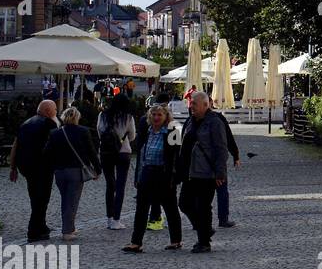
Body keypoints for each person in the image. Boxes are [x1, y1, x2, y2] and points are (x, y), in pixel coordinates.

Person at [123, 104, 182, 253]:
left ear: (165, 117)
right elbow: (141, 155)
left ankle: (176, 240)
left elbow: (177, 156)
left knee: (170, 208)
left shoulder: (172, 132)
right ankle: (136, 242)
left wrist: (174, 177)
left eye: (159, 115)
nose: (156, 117)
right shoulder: (146, 131)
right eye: (154, 115)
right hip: (147, 172)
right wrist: (138, 176)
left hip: (164, 174)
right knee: (141, 208)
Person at [176, 91, 229, 253]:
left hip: (207, 172)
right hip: (190, 172)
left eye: (194, 104)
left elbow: (221, 148)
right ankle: (204, 230)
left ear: (206, 105)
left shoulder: (214, 122)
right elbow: (183, 147)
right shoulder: (190, 122)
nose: (191, 106)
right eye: (191, 103)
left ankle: (204, 242)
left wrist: (220, 173)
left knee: (203, 207)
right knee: (184, 203)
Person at [43, 106, 101, 241]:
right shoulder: (83, 131)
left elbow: (46, 153)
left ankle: (70, 227)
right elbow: (91, 151)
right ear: (77, 118)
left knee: (66, 200)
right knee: (72, 201)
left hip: (59, 171)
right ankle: (67, 231)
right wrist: (97, 169)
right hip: (75, 171)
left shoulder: (55, 133)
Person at [9, 100, 59, 241]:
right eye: (55, 109)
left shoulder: (25, 124)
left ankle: (41, 226)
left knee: (35, 196)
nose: (56, 112)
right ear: (48, 111)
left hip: (25, 166)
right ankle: (34, 231)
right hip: (42, 167)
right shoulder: (49, 124)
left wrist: (13, 167)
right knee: (42, 199)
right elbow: (54, 146)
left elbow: (15, 146)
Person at [97, 93, 137, 231]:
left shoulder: (103, 115)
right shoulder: (128, 117)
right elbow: (132, 136)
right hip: (123, 152)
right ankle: (116, 220)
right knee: (120, 187)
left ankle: (108, 218)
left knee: (110, 185)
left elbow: (99, 132)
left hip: (106, 152)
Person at [208, 103, 241, 229]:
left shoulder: (194, 119)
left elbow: (228, 137)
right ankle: (222, 219)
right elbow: (228, 137)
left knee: (219, 190)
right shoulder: (218, 118)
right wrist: (235, 155)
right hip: (213, 161)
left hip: (213, 161)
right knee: (220, 190)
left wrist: (235, 154)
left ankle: (220, 218)